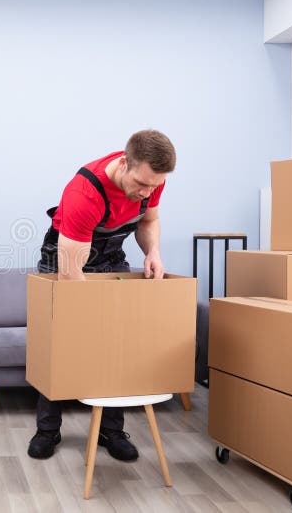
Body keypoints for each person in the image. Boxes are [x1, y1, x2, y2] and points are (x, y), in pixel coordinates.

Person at [28, 129, 176, 461]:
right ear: (124, 164)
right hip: (66, 257)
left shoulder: (152, 176)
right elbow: (71, 271)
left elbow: (148, 220)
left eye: (153, 186)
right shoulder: (85, 192)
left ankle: (111, 430)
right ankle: (47, 430)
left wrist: (153, 252)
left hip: (110, 256)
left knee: (116, 340)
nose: (146, 192)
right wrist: (89, 317)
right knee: (60, 341)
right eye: (141, 184)